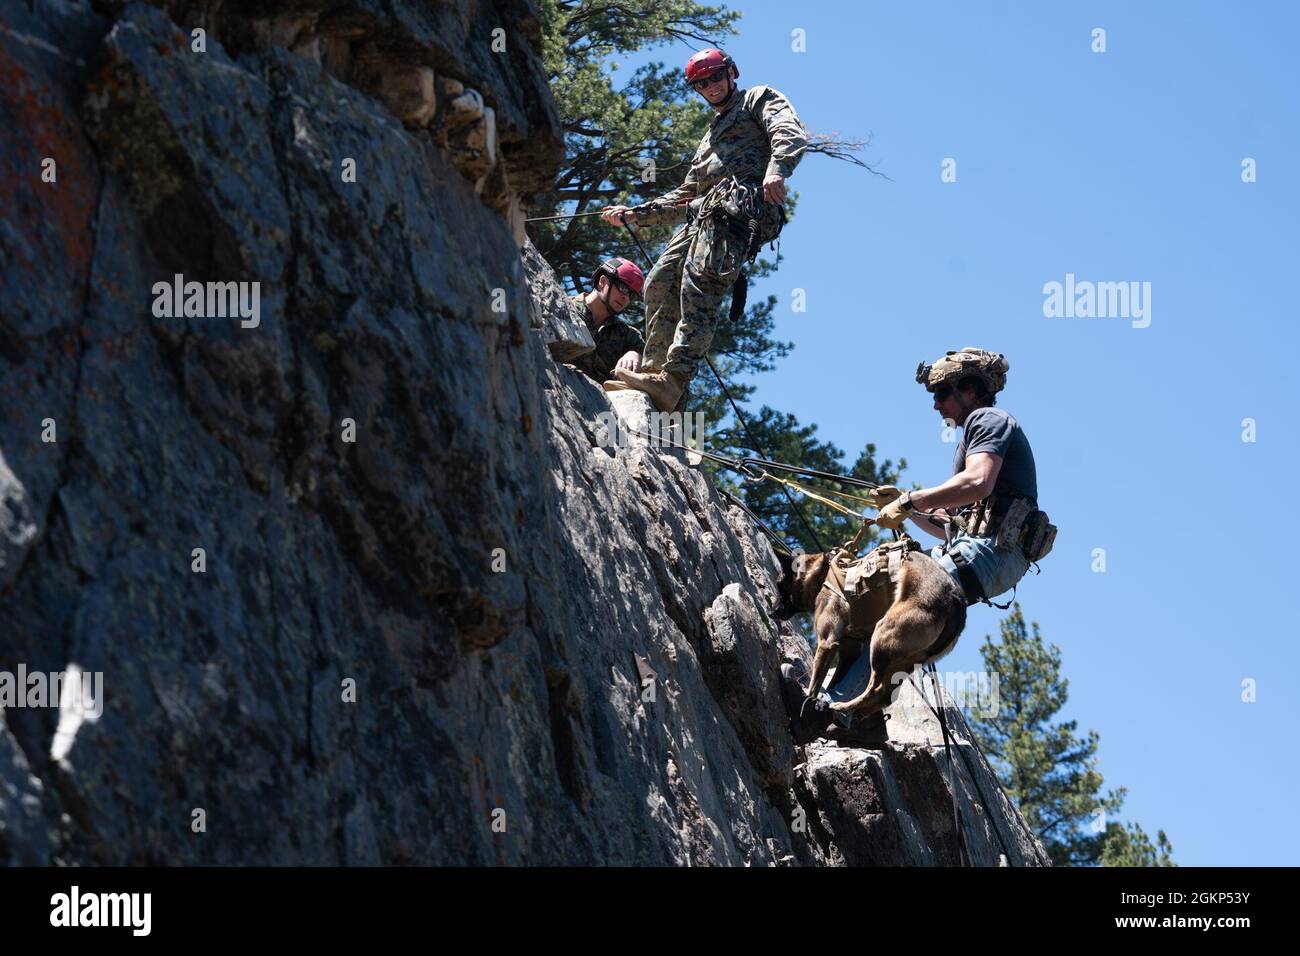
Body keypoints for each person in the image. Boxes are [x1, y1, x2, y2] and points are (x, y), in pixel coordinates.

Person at [598, 47, 807, 411]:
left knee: (699, 283)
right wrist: (636, 213)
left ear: (731, 73)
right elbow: (685, 195)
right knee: (659, 281)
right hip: (704, 213)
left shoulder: (757, 98)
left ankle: (674, 379)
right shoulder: (709, 138)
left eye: (714, 77)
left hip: (741, 209)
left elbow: (788, 130)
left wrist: (778, 169)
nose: (710, 87)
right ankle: (653, 370)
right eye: (701, 84)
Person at [569, 258, 646, 383]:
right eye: (623, 287)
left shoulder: (628, 336)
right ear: (603, 281)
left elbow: (652, 361)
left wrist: (636, 354)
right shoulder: (564, 307)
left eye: (631, 295)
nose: (625, 298)